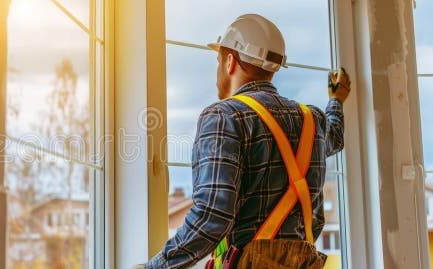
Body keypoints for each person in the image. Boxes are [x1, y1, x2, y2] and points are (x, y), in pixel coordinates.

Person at [139, 14, 351, 269]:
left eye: (219, 60)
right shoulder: (312, 120)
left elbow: (212, 215)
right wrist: (336, 100)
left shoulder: (223, 116)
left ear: (230, 61)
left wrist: (155, 267)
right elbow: (336, 136)